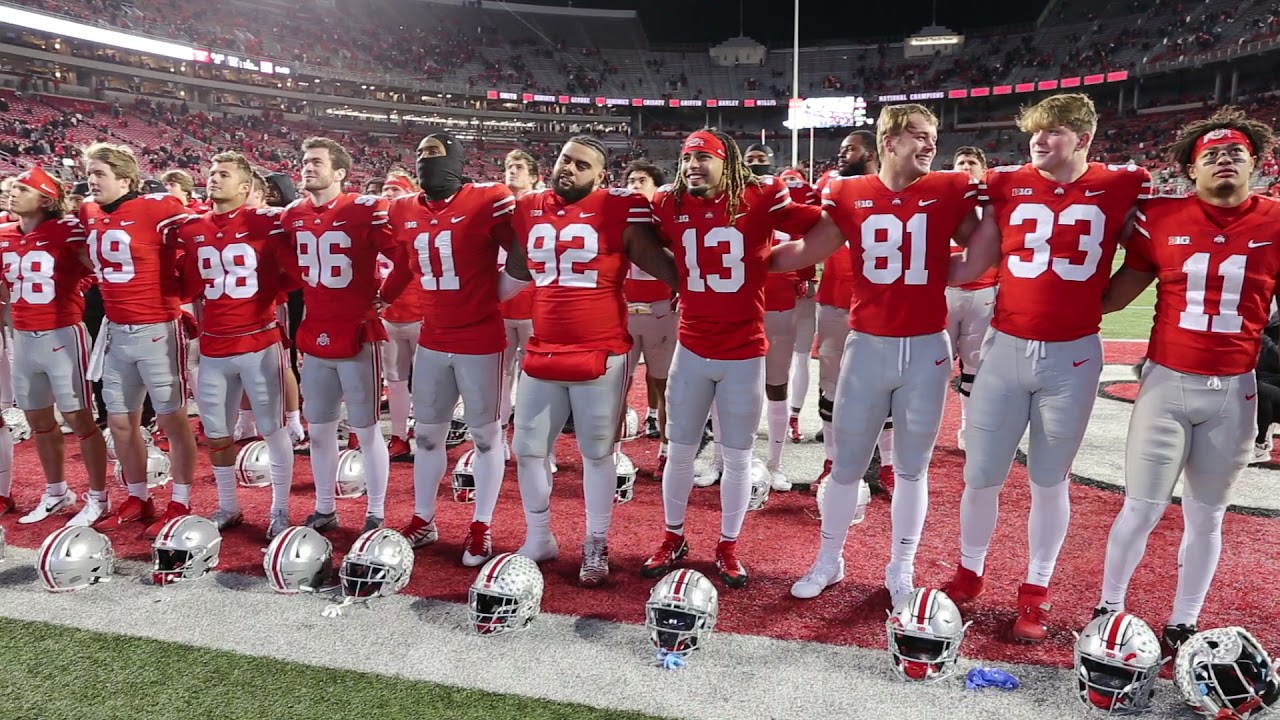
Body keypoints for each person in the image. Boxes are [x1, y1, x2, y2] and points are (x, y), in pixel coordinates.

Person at [944, 93, 1153, 641]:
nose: (1039, 139)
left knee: (1049, 479)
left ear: (1083, 138)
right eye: (1035, 130)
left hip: (1072, 355)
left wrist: (1103, 303)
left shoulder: (1121, 184)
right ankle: (969, 572)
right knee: (981, 474)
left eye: (1053, 130)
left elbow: (1147, 257)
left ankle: (1036, 589)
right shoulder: (1007, 182)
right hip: (1005, 347)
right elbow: (976, 248)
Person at [774, 104, 980, 606]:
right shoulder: (849, 192)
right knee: (845, 464)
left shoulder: (949, 188)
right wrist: (746, 260)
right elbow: (806, 251)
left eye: (933, 135)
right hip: (867, 343)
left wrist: (945, 270)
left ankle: (901, 567)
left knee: (911, 469)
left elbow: (982, 250)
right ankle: (829, 559)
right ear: (889, 141)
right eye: (918, 135)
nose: (930, 144)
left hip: (927, 346)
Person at [1093, 107, 1280, 655]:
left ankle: (1184, 620)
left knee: (1207, 515)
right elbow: (1115, 295)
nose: (1224, 160)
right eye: (1211, 154)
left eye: (1235, 153)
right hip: (1167, 385)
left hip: (1236, 389)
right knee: (1141, 507)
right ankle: (1108, 607)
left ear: (1256, 163)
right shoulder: (1161, 217)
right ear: (1190, 169)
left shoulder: (1275, 220)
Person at [640, 128, 822, 589]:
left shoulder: (760, 195)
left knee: (738, 457)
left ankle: (728, 545)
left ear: (729, 162)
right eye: (686, 158)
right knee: (680, 451)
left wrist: (772, 259)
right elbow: (641, 240)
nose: (692, 166)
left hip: (743, 351)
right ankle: (673, 536)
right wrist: (677, 276)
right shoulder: (668, 202)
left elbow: (819, 226)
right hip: (691, 346)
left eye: (703, 157)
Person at [504, 135, 677, 587]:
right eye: (566, 159)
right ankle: (539, 536)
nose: (570, 169)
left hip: (601, 351)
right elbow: (516, 273)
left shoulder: (619, 207)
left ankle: (596, 542)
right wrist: (463, 302)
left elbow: (660, 261)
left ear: (601, 176)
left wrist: (696, 286)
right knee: (527, 450)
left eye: (582, 165)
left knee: (598, 454)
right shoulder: (529, 207)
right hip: (543, 347)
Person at [392, 132, 514, 568]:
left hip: (480, 338)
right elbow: (405, 264)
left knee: (486, 437)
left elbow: (522, 255)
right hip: (432, 338)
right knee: (426, 436)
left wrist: (492, 296)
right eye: (420, 152)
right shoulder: (403, 208)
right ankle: (424, 518)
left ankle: (482, 524)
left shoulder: (487, 199)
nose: (425, 159)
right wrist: (382, 297)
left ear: (457, 160)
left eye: (435, 152)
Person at [281, 137, 411, 534]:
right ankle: (324, 508)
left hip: (357, 331)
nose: (308, 167)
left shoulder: (364, 209)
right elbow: (288, 264)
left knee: (366, 428)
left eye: (317, 162)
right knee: (320, 429)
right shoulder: (293, 214)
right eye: (305, 161)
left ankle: (376, 511)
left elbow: (404, 257)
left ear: (340, 173)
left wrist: (386, 296)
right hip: (316, 330)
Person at [176, 152, 299, 539]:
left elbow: (297, 272)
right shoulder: (192, 227)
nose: (213, 178)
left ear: (246, 187)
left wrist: (270, 290)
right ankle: (229, 506)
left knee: (273, 430)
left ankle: (280, 509)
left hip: (258, 340)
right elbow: (188, 284)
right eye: (212, 172)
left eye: (224, 174)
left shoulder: (267, 221)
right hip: (213, 346)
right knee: (216, 434)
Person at [79, 143, 197, 537]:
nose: (92, 180)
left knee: (172, 418)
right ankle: (138, 496)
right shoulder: (89, 212)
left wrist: (183, 288)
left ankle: (180, 499)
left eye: (100, 174)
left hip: (157, 327)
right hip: (115, 329)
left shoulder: (157, 207)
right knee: (120, 421)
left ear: (126, 179)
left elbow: (200, 238)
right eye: (89, 173)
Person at [0, 166, 107, 526]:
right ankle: (57, 491)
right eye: (13, 188)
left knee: (80, 419)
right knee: (39, 421)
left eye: (23, 189)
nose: (13, 193)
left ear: (46, 200)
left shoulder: (67, 230)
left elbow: (98, 266)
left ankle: (98, 497)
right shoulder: (4, 235)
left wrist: (79, 284)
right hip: (23, 338)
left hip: (62, 334)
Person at [623, 159, 675, 472]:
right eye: (631, 180)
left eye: (641, 180)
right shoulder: (617, 217)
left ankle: (666, 450)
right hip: (625, 311)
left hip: (661, 312)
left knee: (665, 384)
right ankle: (611, 451)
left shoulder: (667, 219)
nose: (634, 185)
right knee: (617, 384)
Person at [945, 147, 995, 451]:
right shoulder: (940, 198)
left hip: (983, 291)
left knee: (975, 367)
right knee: (935, 365)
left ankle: (968, 427)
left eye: (971, 163)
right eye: (960, 162)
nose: (965, 167)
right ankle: (927, 429)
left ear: (983, 169)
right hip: (945, 292)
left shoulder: (992, 203)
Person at [498, 149, 540, 459]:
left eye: (519, 167)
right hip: (501, 307)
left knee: (536, 378)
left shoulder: (542, 208)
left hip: (533, 306)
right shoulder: (494, 209)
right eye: (509, 167)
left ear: (535, 177)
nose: (512, 171)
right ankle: (498, 440)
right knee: (500, 376)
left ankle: (537, 444)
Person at [379, 169, 423, 458]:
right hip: (389, 315)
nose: (389, 194)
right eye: (386, 189)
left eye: (396, 189)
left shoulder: (419, 224)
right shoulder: (374, 228)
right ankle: (398, 436)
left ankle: (425, 430)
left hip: (422, 314)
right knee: (394, 381)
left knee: (425, 381)